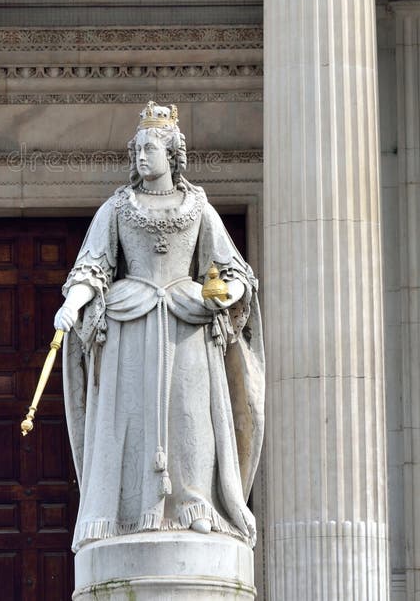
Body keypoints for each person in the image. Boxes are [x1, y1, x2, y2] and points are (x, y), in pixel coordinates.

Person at [54, 102, 264, 552]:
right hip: (130, 321)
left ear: (172, 155)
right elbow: (92, 267)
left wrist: (224, 295)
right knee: (128, 416)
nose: (141, 156)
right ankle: (123, 511)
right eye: (138, 149)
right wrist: (73, 305)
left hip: (187, 322)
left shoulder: (199, 207)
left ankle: (196, 503)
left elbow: (233, 271)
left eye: (150, 148)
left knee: (190, 413)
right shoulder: (117, 208)